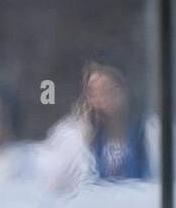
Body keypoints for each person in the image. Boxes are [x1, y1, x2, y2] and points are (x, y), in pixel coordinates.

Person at [39, 61, 150, 194]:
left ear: (125, 89)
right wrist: (81, 137)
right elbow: (53, 184)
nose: (102, 99)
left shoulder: (151, 133)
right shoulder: (75, 136)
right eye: (94, 93)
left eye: (109, 90)